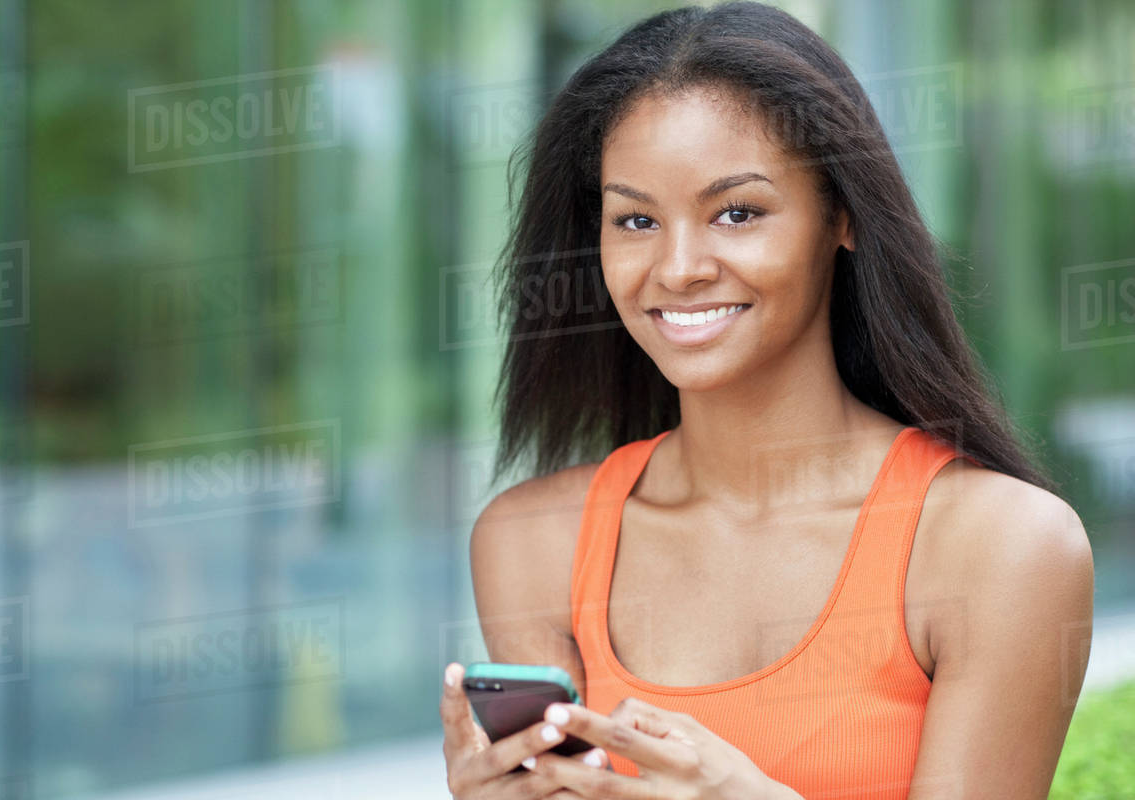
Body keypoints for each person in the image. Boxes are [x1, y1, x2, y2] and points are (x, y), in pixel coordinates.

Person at [440, 2, 1094, 798]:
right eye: (637, 219)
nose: (678, 268)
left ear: (842, 215)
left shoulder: (1002, 546)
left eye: (738, 212)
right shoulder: (532, 542)